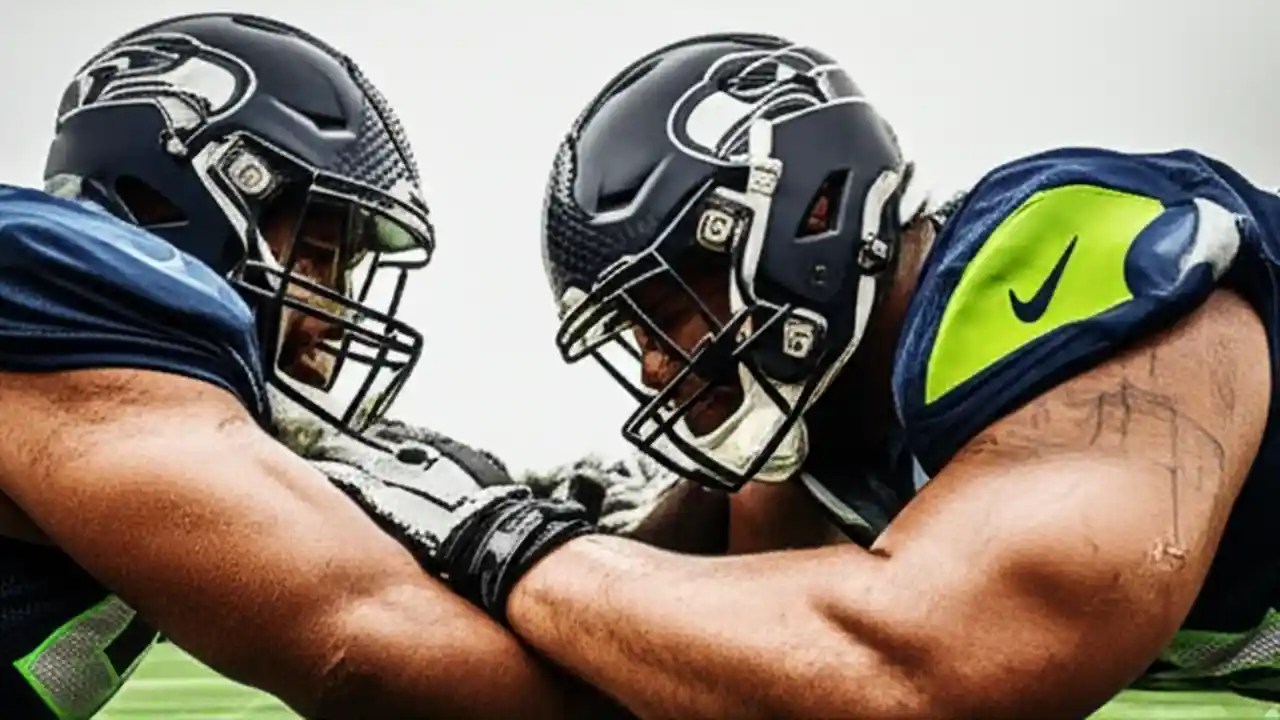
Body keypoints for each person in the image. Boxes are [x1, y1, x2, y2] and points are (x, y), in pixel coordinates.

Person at [400, 33, 1280, 717]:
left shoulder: (1049, 263)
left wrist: (508, 544)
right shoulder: (805, 445)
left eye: (666, 313)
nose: (656, 364)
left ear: (806, 219)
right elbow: (702, 673)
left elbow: (926, 674)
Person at [0, 12, 618, 720]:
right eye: (322, 258)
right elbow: (369, 652)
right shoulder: (58, 274)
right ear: (178, 201)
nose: (337, 317)